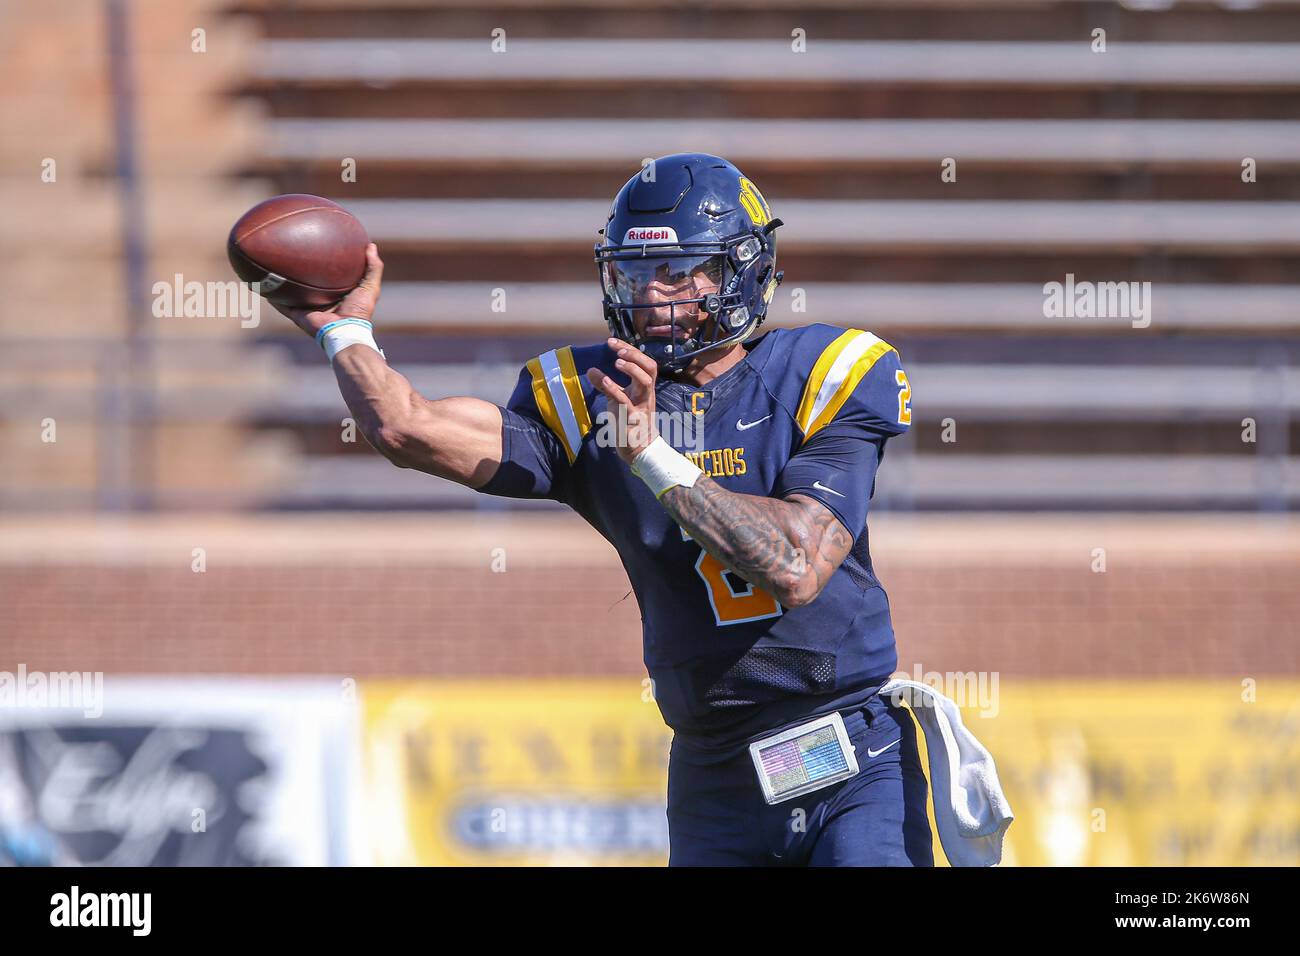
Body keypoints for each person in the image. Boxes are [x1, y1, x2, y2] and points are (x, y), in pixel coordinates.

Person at [275, 153, 932, 866]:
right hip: (713, 773)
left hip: (848, 752)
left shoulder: (825, 371)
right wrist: (343, 332)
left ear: (739, 272)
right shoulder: (586, 392)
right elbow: (409, 428)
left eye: (677, 272)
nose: (651, 296)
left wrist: (650, 455)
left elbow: (796, 566)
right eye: (635, 272)